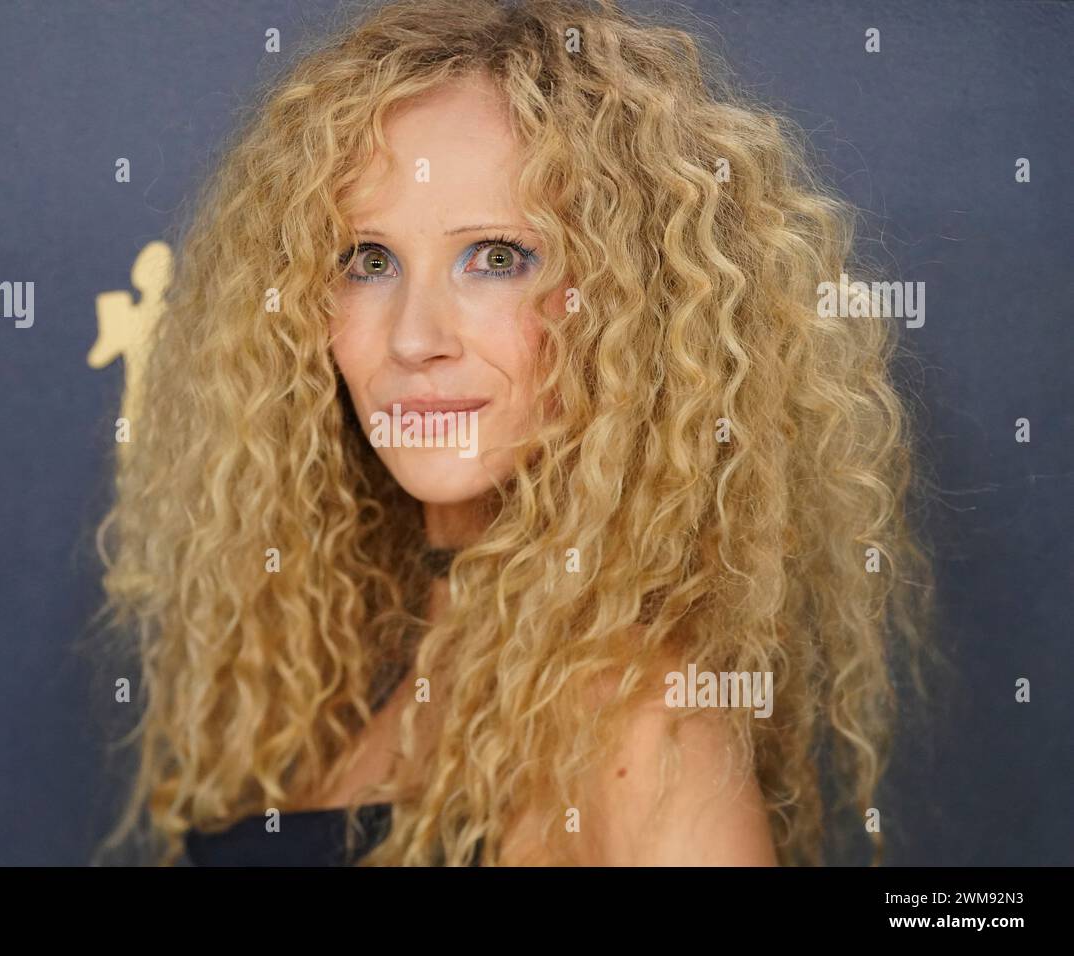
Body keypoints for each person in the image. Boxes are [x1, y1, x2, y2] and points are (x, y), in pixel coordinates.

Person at [91, 0, 936, 867]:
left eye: (497, 257)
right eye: (367, 261)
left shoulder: (646, 725)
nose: (416, 337)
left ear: (629, 306)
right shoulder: (324, 680)